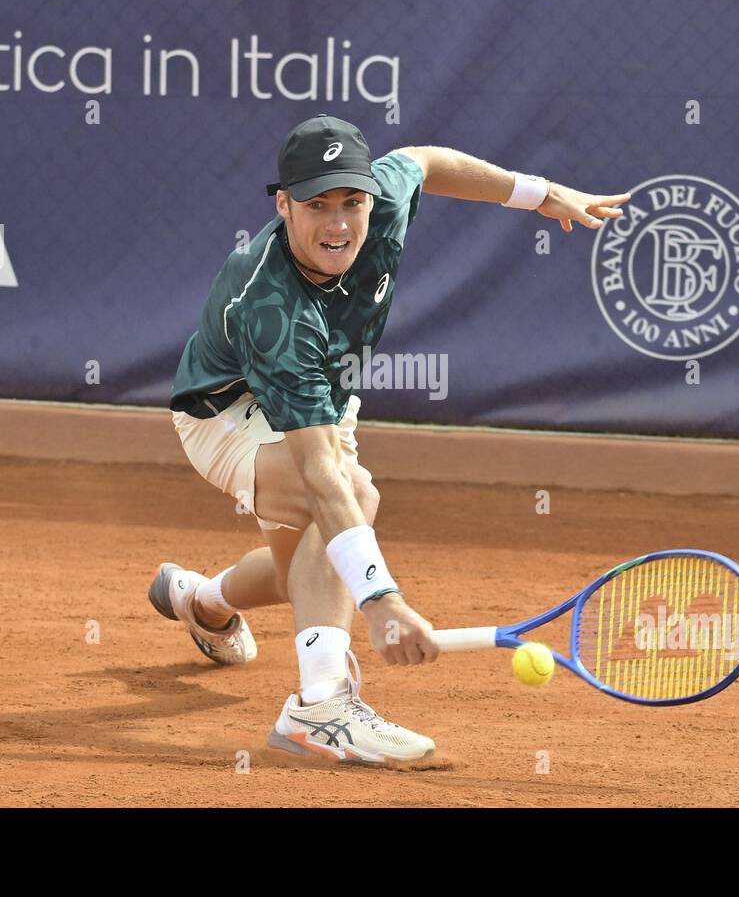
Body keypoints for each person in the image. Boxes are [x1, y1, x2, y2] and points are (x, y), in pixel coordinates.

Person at [150, 114, 629, 765]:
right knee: (348, 496)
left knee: (310, 573)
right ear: (283, 204)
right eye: (317, 205)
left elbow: (424, 160)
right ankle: (319, 708)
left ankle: (202, 601)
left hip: (322, 391)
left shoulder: (384, 202)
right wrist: (382, 601)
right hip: (225, 411)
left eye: (352, 201)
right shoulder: (273, 309)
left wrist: (538, 193)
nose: (339, 223)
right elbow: (320, 474)